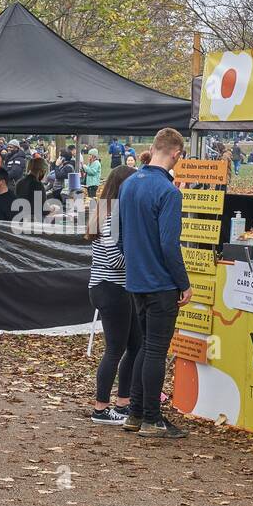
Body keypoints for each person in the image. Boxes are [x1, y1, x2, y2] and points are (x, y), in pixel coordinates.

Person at [118, 127, 191, 439]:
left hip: (136, 280)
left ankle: (135, 414)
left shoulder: (129, 183)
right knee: (155, 350)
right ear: (175, 153)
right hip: (160, 282)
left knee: (145, 348)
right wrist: (183, 283)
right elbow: (169, 245)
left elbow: (121, 238)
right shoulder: (169, 192)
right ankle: (151, 416)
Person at [86, 165, 139, 425]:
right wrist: (141, 258)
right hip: (110, 287)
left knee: (135, 345)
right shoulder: (111, 217)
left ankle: (123, 401)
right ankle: (100, 408)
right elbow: (114, 260)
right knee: (115, 348)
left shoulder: (112, 213)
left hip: (118, 288)